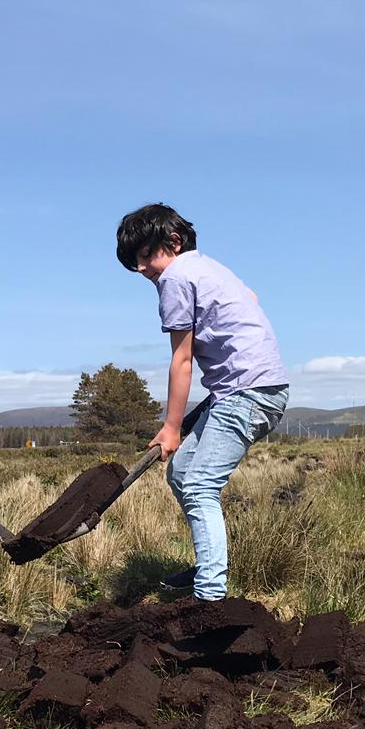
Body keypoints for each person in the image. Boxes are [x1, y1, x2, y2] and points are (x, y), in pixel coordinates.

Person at [116, 203, 289, 601]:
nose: (142, 269)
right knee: (181, 472)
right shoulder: (211, 267)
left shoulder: (175, 277)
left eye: (145, 256)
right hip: (252, 388)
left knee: (198, 485)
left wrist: (172, 427)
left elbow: (181, 360)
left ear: (173, 242)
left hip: (246, 393)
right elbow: (251, 295)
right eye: (135, 263)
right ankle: (208, 565)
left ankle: (210, 596)